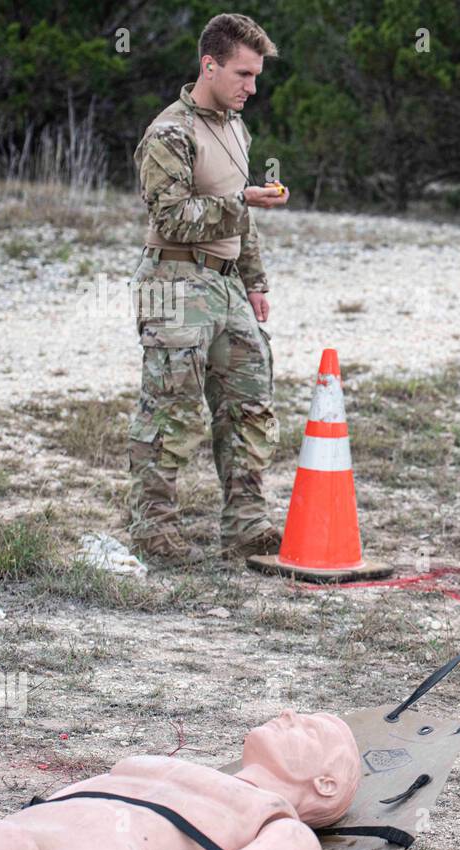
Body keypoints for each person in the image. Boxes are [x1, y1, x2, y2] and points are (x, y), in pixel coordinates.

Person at [127, 13, 290, 565]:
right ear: (209, 65)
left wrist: (255, 281)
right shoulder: (169, 132)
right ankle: (154, 532)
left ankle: (247, 527)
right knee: (171, 410)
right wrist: (242, 201)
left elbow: (238, 221)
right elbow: (171, 217)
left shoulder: (235, 128)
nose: (252, 87)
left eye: (256, 76)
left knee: (248, 404)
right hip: (174, 281)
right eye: (243, 74)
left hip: (224, 286)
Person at [0, 711, 360, 850]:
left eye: (310, 729)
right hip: (18, 837)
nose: (288, 713)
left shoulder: (280, 825)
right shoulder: (169, 768)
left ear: (325, 784)